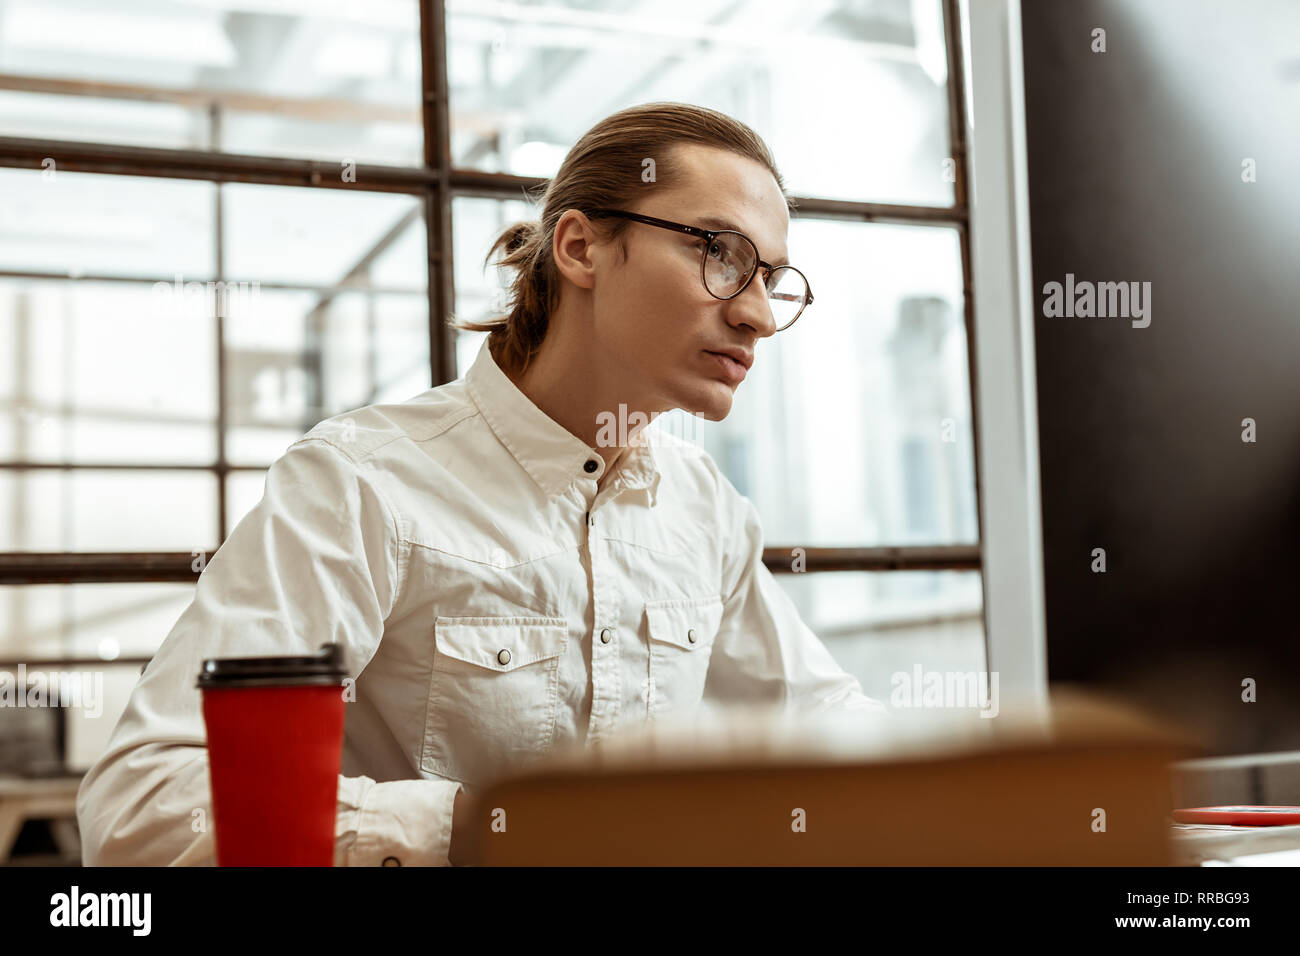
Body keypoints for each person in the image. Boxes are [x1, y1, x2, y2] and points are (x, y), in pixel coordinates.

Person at [75, 101, 885, 868]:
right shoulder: (362, 483)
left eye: (771, 278)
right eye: (720, 253)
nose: (760, 316)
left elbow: (829, 733)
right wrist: (490, 828)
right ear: (579, 248)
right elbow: (141, 807)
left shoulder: (705, 511)